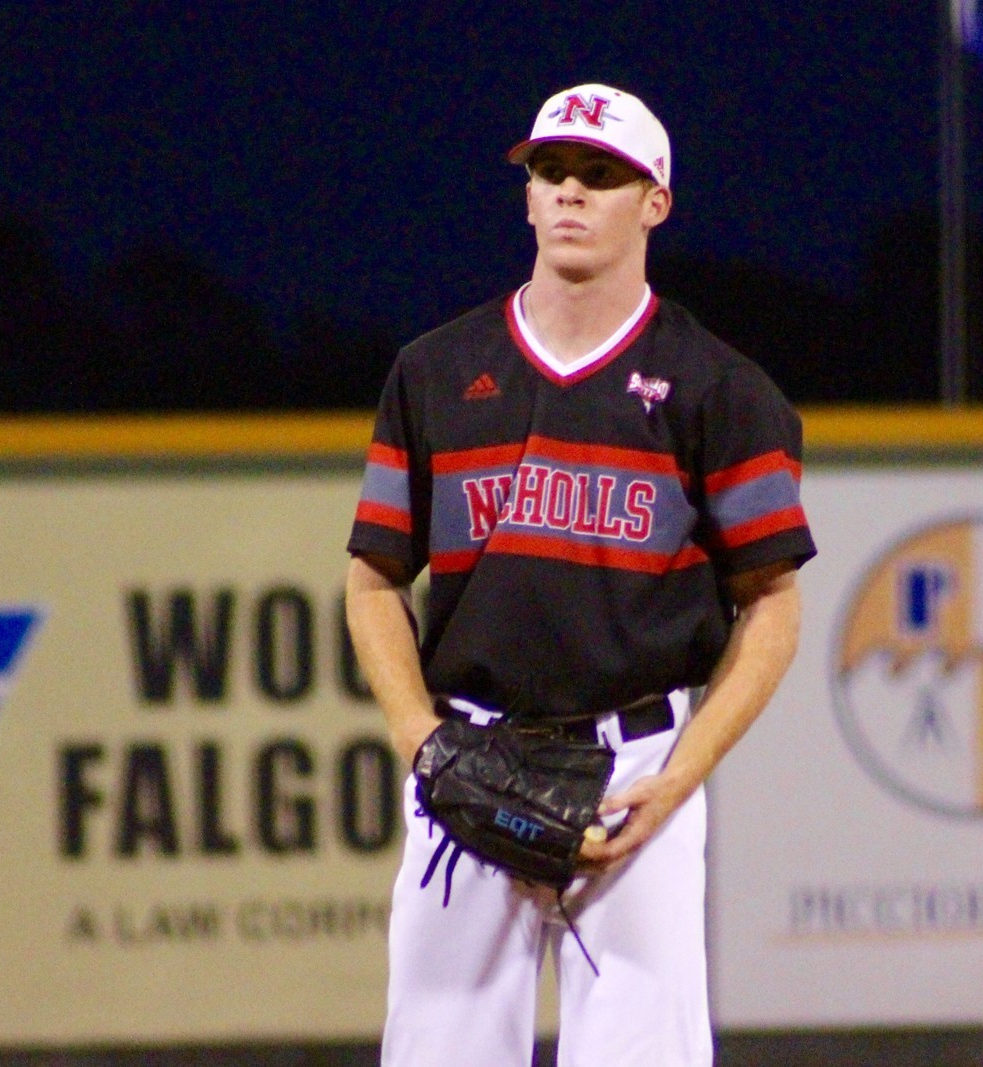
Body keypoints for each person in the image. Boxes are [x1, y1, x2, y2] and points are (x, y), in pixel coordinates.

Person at [344, 83, 816, 1067]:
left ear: (655, 202)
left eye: (601, 174)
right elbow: (372, 578)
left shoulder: (721, 390)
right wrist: (419, 739)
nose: (569, 190)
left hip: (636, 767)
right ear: (525, 195)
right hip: (468, 754)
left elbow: (772, 604)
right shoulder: (435, 372)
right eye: (551, 170)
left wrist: (680, 779)